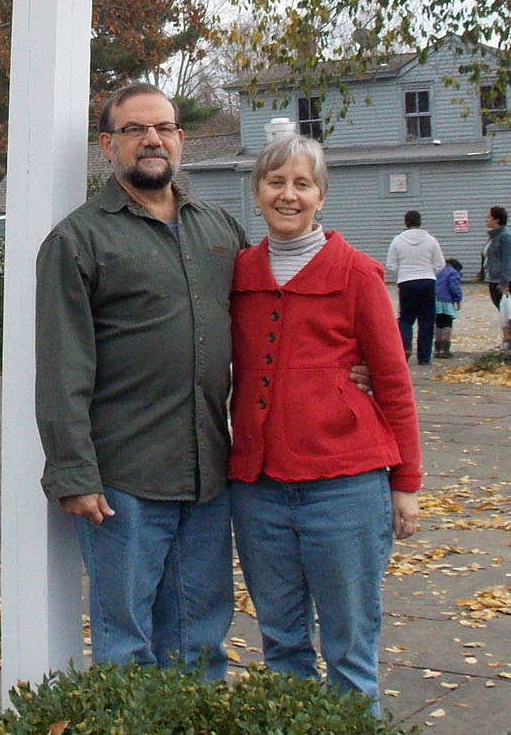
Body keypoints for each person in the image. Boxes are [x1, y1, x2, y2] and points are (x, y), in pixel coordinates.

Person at [34, 83, 247, 678]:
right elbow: (60, 368)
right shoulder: (78, 240)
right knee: (126, 649)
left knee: (201, 641)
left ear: (180, 140)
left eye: (164, 128)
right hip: (122, 485)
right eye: (134, 130)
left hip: (208, 475)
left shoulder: (220, 229)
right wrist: (74, 472)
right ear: (108, 145)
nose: (152, 139)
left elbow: (273, 317)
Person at [229, 134, 421, 709]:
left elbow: (392, 383)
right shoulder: (238, 274)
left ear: (321, 196)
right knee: (281, 643)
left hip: (346, 488)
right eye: (276, 182)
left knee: (349, 647)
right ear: (258, 192)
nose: (288, 195)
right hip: (259, 492)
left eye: (302, 184)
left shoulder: (357, 273)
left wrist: (406, 484)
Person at [385, 209, 445, 364]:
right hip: (427, 280)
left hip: (406, 281)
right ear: (420, 222)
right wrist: (430, 272)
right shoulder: (431, 240)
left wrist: (402, 273)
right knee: (427, 319)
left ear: (405, 222)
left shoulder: (398, 240)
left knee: (405, 318)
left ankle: (405, 347)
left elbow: (390, 265)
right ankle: (424, 356)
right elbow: (440, 264)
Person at [482, 207, 511, 320]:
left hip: (502, 281)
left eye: (489, 217)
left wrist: (504, 282)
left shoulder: (505, 237)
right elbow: (486, 256)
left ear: (496, 220)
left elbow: (508, 260)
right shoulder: (493, 237)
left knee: (507, 311)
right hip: (493, 278)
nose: (486, 219)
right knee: (502, 311)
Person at [434, 257, 463, 359]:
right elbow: (454, 288)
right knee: (447, 324)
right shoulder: (453, 273)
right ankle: (445, 349)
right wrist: (458, 300)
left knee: (438, 324)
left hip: (435, 300)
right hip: (446, 301)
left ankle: (437, 349)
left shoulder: (437, 271)